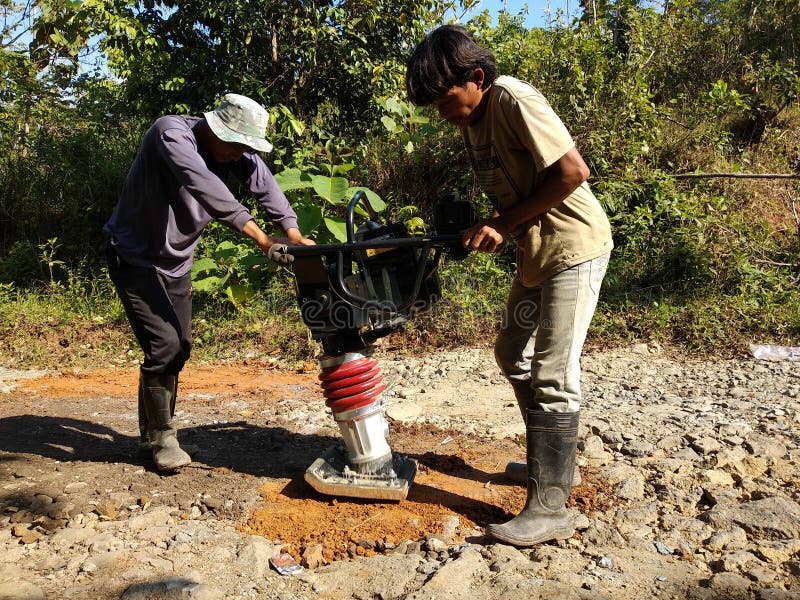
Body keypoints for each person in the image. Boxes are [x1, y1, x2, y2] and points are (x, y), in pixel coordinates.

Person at [406, 26, 613, 546]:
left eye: (446, 100)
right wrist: (486, 223)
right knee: (509, 351)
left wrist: (503, 222)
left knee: (552, 371)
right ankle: (552, 467)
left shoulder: (513, 99)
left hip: (574, 248)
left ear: (476, 78)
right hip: (537, 253)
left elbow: (572, 172)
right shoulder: (472, 119)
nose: (443, 114)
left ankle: (550, 507)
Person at [104, 93, 314, 472]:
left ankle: (149, 433)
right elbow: (202, 184)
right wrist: (263, 239)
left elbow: (265, 185)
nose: (240, 154)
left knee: (178, 348)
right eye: (236, 144)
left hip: (176, 262)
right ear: (216, 128)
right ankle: (162, 438)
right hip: (135, 258)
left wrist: (292, 232)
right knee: (165, 346)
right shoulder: (171, 134)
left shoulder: (233, 153)